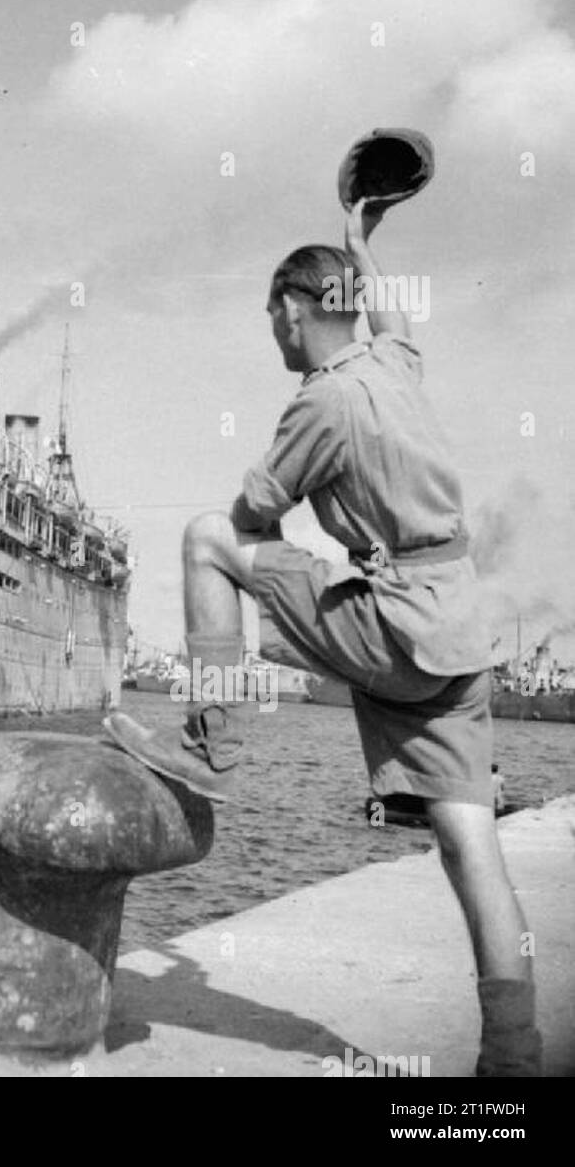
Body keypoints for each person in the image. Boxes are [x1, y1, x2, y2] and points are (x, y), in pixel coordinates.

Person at [106, 197, 541, 1078]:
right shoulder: (393, 364)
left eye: (274, 317)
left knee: (202, 537)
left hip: (395, 625)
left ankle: (211, 747)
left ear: (294, 309)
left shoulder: (328, 399)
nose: (273, 334)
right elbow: (393, 318)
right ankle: (514, 1061)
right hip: (458, 634)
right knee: (472, 849)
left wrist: (261, 547)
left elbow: (252, 511)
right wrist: (358, 245)